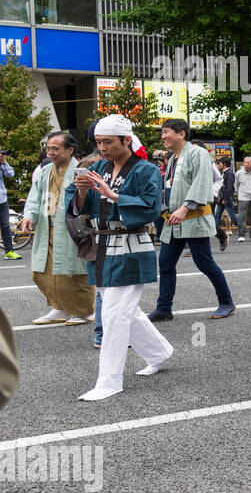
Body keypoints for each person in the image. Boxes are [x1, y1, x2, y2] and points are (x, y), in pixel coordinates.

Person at [67, 115, 173, 401]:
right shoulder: (98, 167)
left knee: (113, 312)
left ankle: (109, 380)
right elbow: (79, 204)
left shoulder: (146, 170)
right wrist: (80, 190)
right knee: (123, 309)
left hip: (131, 245)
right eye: (98, 142)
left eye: (108, 142)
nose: (101, 148)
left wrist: (113, 196)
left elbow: (152, 206)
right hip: (100, 244)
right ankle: (159, 352)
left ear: (126, 140)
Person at [147, 119, 236, 322]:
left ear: (181, 134)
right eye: (162, 132)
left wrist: (185, 208)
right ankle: (164, 308)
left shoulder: (198, 153)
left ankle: (226, 301)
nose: (163, 136)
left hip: (193, 217)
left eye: (166, 132)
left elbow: (201, 182)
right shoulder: (172, 159)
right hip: (173, 220)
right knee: (166, 263)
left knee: (204, 262)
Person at [20, 133, 94, 325]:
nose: (50, 153)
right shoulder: (45, 171)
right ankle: (59, 308)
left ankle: (83, 311)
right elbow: (34, 197)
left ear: (70, 150)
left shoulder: (82, 170)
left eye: (55, 149)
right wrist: (29, 216)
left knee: (72, 272)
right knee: (42, 271)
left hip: (72, 228)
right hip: (47, 227)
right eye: (48, 149)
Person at [233, 156, 251, 241]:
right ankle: (241, 235)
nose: (246, 164)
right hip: (243, 197)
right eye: (244, 162)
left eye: (248, 162)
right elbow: (236, 185)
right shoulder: (238, 173)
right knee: (242, 217)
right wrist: (239, 193)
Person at [0, 150, 19, 260]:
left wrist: (3, 161)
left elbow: (10, 174)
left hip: (2, 199)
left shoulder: (1, 164)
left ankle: (9, 251)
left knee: (5, 225)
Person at [214, 158, 237, 246]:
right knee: (217, 215)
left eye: (219, 163)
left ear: (224, 164)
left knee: (232, 216)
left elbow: (229, 187)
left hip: (226, 199)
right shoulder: (223, 173)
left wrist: (226, 199)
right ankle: (215, 232)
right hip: (221, 198)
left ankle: (241, 230)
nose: (218, 165)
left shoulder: (229, 173)